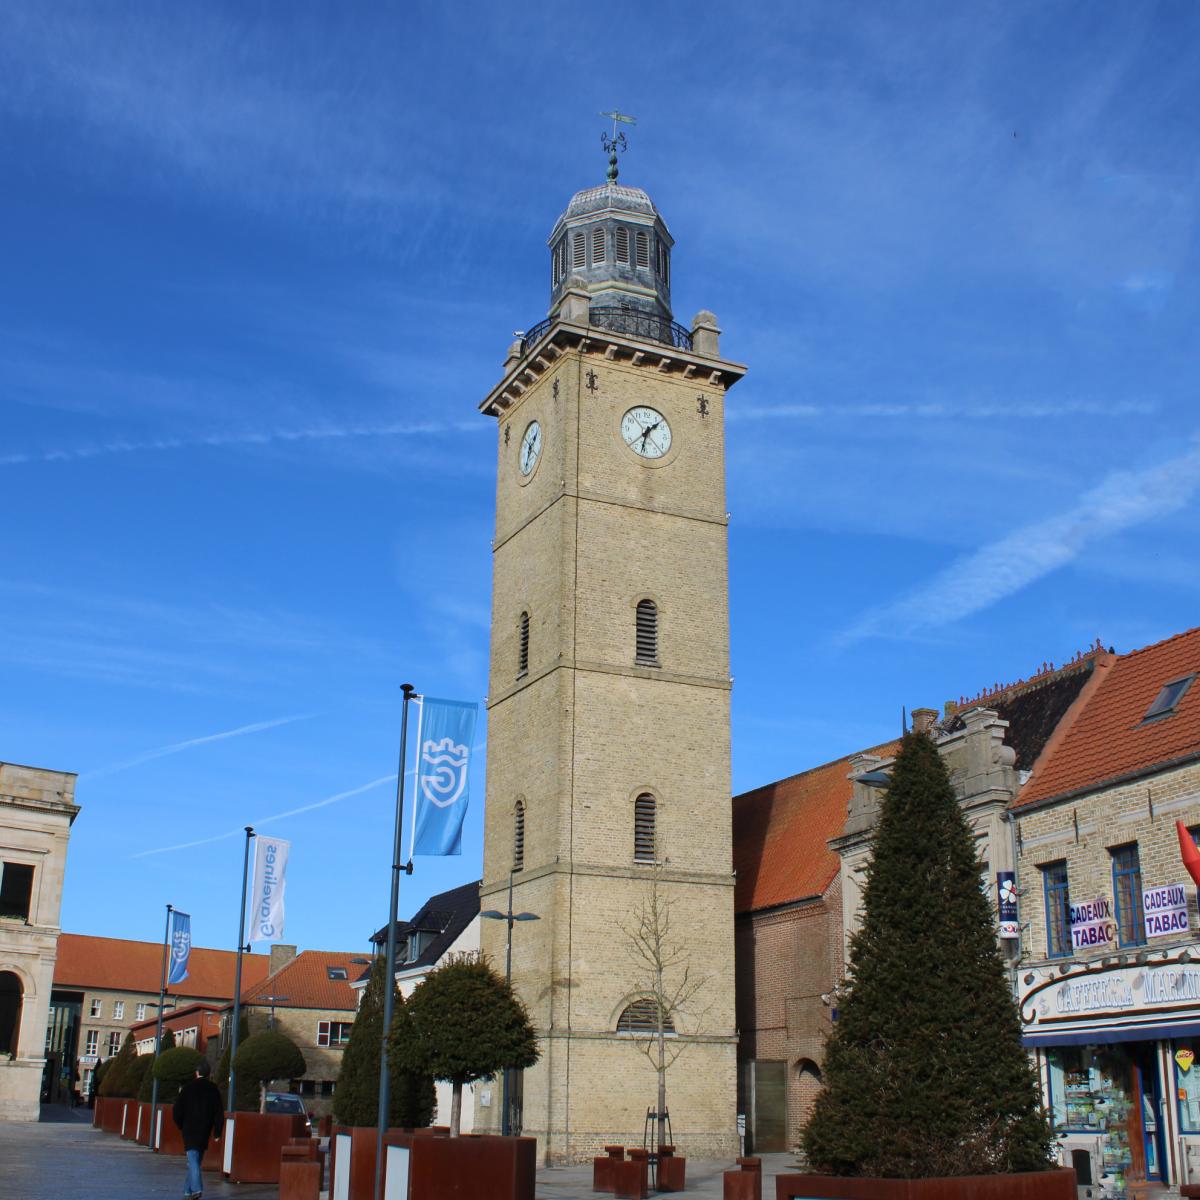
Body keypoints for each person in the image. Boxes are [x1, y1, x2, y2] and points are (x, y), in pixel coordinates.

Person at [172, 1060, 223, 1200]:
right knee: (196, 1159)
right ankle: (187, 1192)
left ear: (196, 1073)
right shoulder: (213, 1089)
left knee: (193, 1159)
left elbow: (177, 1110)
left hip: (189, 1128)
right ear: (208, 1074)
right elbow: (218, 1112)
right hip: (204, 1129)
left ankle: (196, 1189)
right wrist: (217, 1131)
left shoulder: (187, 1088)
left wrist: (180, 1124)